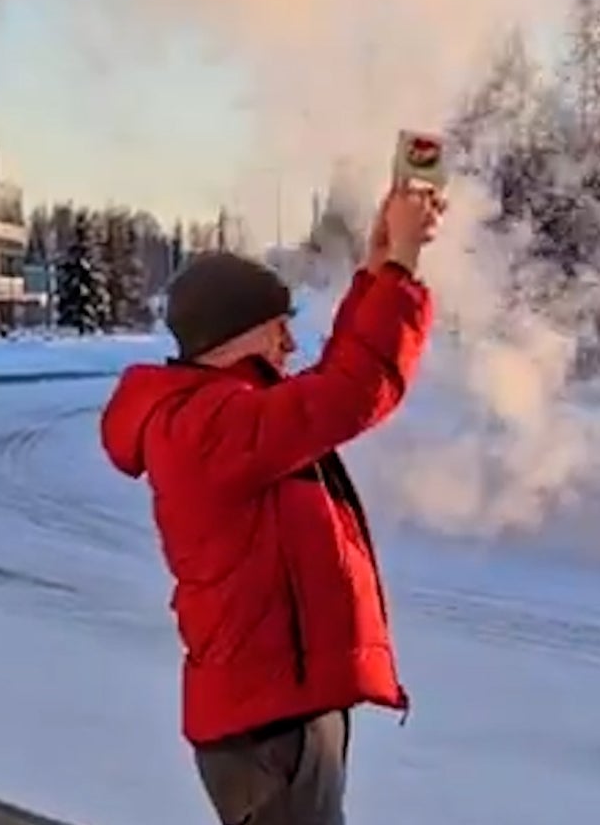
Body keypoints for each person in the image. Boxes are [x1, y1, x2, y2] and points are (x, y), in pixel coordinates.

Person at [100, 186, 443, 825]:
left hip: (278, 717)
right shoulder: (209, 426)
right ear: (235, 337)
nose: (290, 346)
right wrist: (400, 270)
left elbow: (325, 388)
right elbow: (350, 391)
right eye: (278, 330)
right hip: (268, 729)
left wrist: (374, 275)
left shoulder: (225, 415)